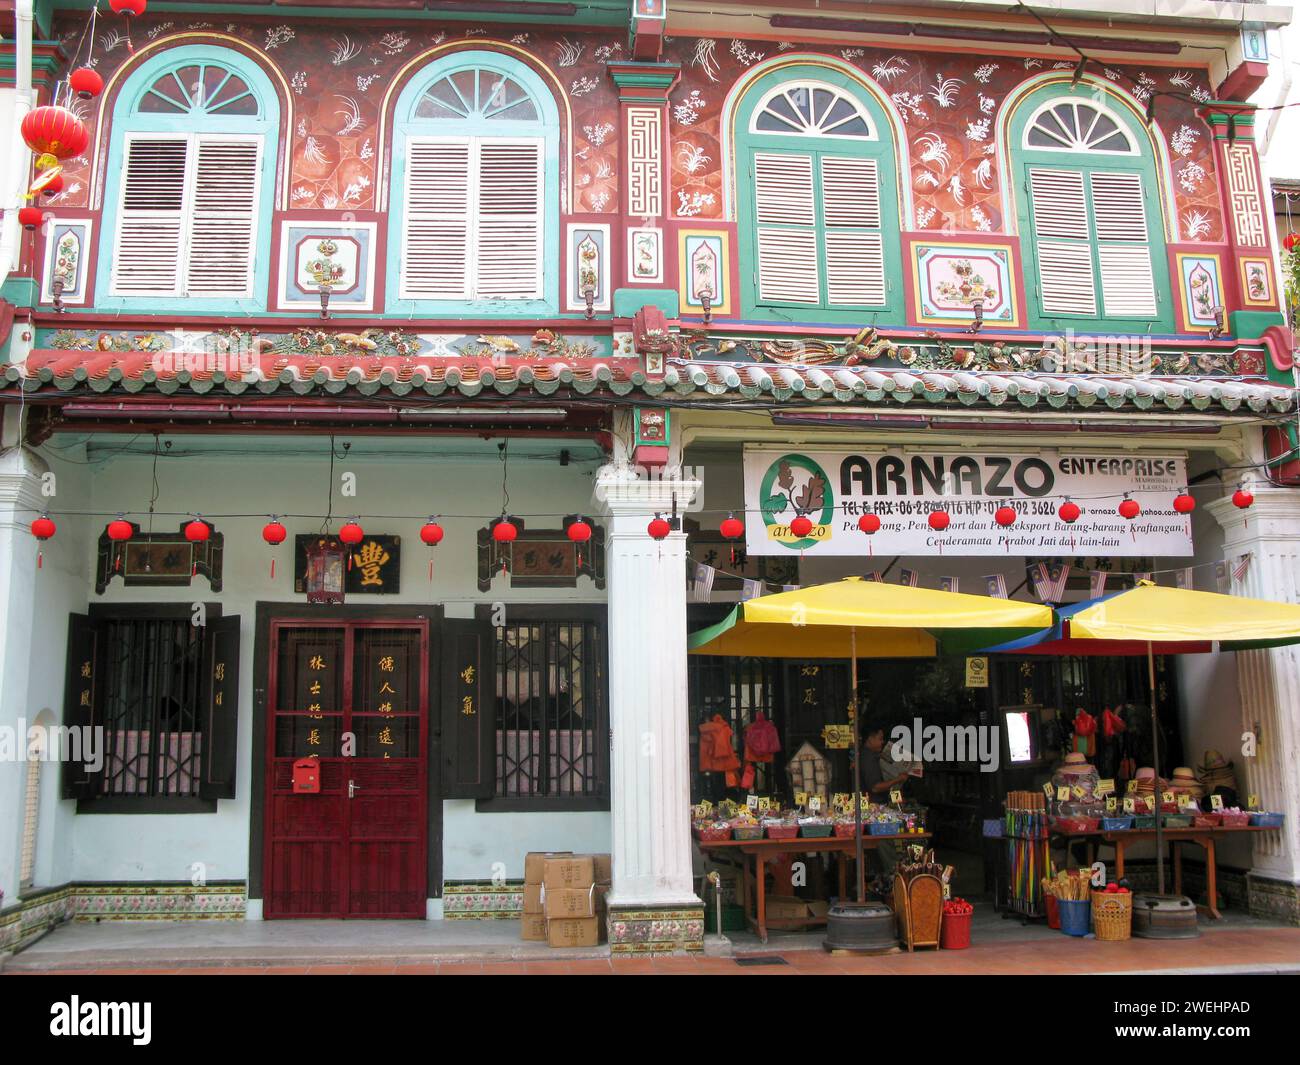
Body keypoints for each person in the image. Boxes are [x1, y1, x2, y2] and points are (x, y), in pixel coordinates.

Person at [859, 723, 909, 897]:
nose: (882, 742)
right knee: (886, 851)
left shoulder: (871, 757)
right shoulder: (868, 759)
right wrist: (897, 780)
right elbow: (876, 787)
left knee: (882, 851)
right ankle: (895, 888)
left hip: (876, 809)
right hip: (875, 811)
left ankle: (886, 886)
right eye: (879, 738)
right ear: (870, 739)